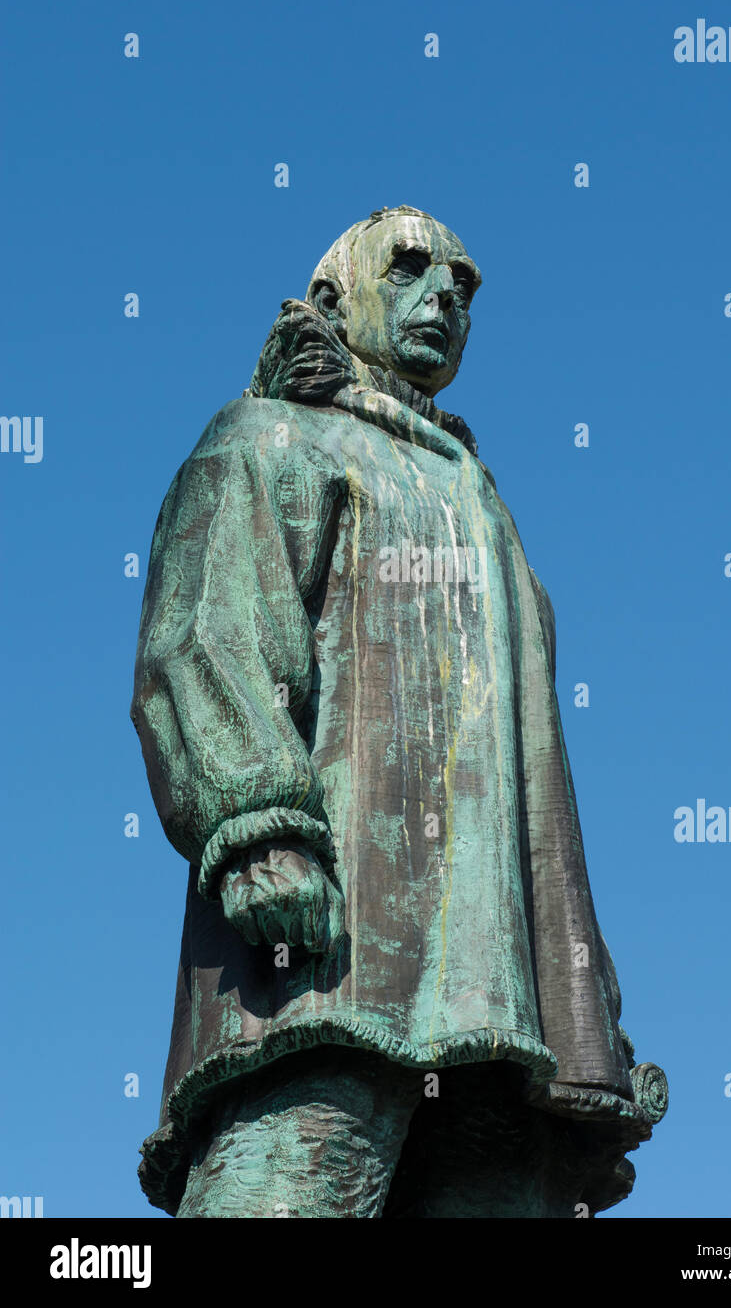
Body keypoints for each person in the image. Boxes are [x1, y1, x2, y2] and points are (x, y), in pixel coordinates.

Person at [131, 206, 665, 1218]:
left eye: (462, 286)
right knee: (290, 1183)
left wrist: (581, 981)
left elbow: (537, 775)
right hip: (330, 958)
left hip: (502, 1001)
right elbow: (202, 638)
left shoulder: (479, 497)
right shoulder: (268, 434)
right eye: (412, 268)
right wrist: (257, 827)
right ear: (333, 299)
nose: (444, 299)